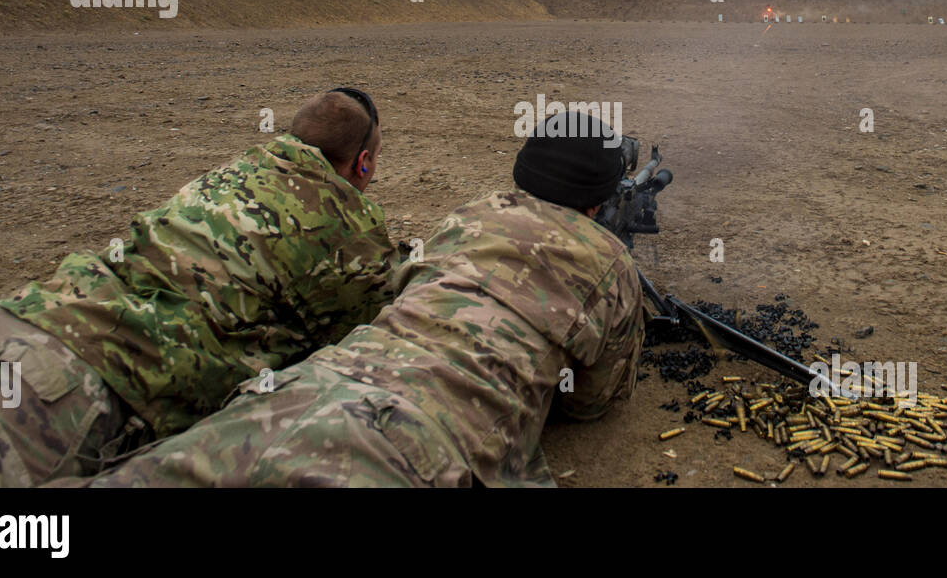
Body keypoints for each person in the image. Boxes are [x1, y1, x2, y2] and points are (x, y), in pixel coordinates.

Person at [85, 111, 643, 487]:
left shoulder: (469, 217)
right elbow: (591, 402)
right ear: (599, 201)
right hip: (421, 444)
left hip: (297, 393)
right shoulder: (610, 263)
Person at [0, 87, 397, 487]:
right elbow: (377, 333)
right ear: (363, 164)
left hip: (3, 323)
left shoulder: (239, 168)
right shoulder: (348, 225)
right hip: (73, 393)